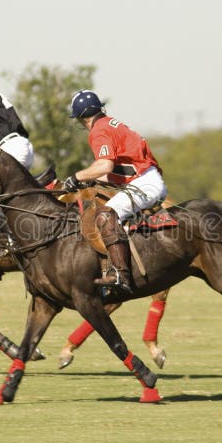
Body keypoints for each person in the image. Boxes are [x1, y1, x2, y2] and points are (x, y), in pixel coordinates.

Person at [63, 90, 168, 294]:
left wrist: (75, 177)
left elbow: (104, 166)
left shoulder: (98, 131)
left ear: (80, 118)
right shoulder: (110, 123)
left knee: (105, 215)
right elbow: (112, 171)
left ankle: (121, 274)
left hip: (146, 183)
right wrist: (87, 180)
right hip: (147, 179)